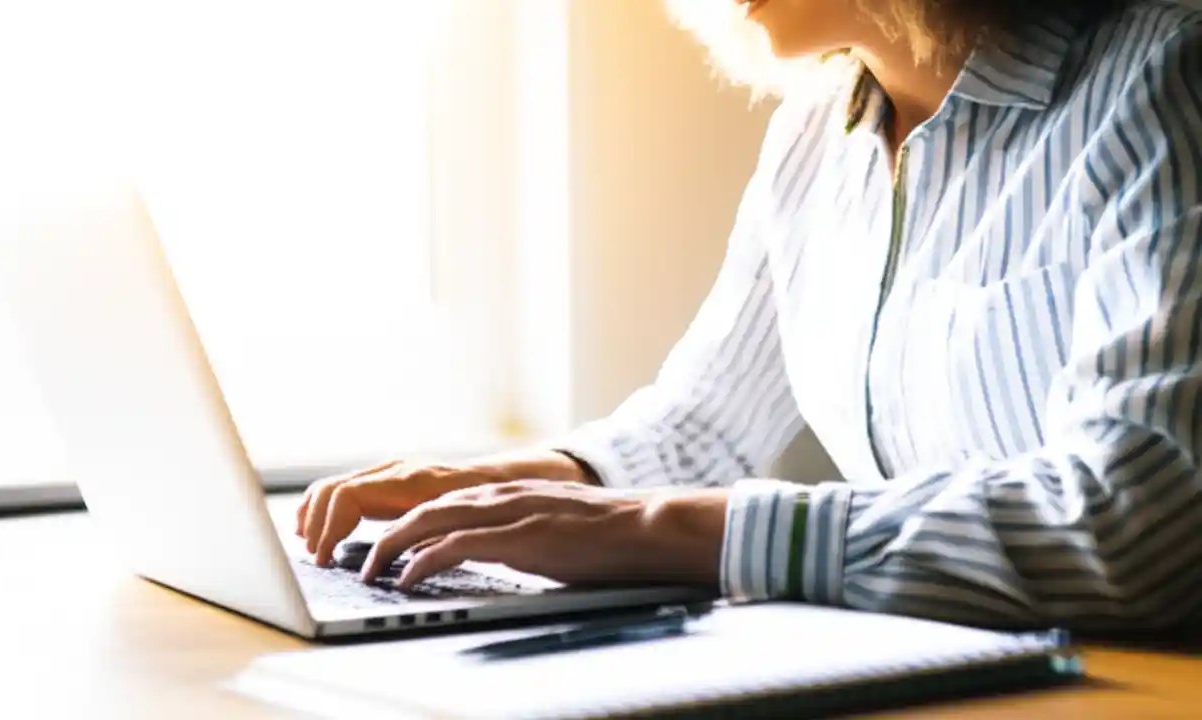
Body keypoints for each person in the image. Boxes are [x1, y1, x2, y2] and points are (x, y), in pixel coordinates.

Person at [296, 0, 1202, 630]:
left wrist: (661, 531)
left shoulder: (1161, 77)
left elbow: (1137, 520)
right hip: (951, 668)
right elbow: (705, 423)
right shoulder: (816, 131)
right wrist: (505, 488)